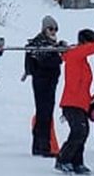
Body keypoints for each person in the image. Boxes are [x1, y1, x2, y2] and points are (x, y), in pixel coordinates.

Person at [57, 29, 94, 174]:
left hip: (81, 103)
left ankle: (77, 163)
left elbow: (84, 86)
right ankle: (62, 160)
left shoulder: (82, 60)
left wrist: (90, 104)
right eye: (92, 43)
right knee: (79, 132)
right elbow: (89, 49)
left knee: (82, 132)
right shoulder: (75, 54)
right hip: (71, 102)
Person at [24, 15, 65, 157]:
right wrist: (59, 55)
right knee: (44, 113)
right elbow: (47, 62)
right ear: (44, 29)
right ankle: (43, 146)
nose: (53, 32)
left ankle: (39, 145)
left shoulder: (50, 43)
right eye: (50, 29)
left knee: (45, 112)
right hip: (42, 81)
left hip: (49, 81)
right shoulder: (40, 43)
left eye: (55, 29)